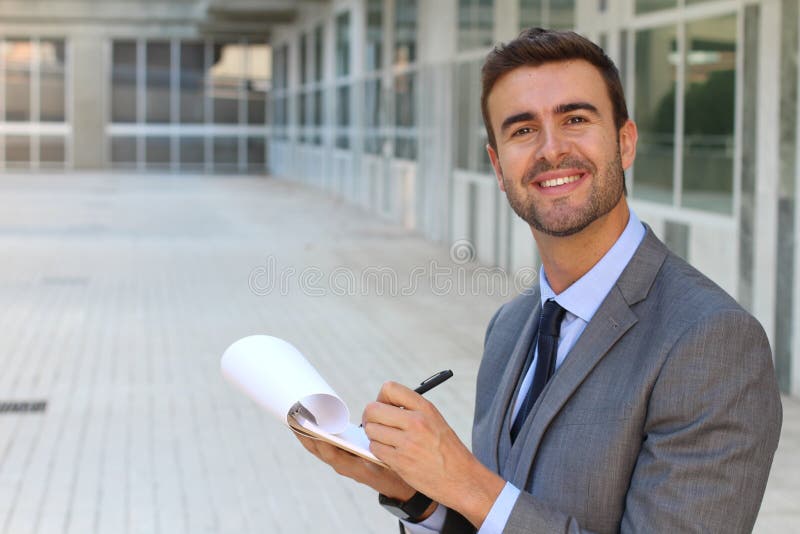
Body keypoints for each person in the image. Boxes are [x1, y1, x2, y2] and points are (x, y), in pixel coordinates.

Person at [296, 28, 782, 533]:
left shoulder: (714, 342)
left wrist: (465, 480)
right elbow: (496, 520)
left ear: (625, 142)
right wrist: (418, 495)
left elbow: (488, 500)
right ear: (498, 166)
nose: (551, 150)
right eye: (523, 130)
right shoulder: (509, 327)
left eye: (575, 119)